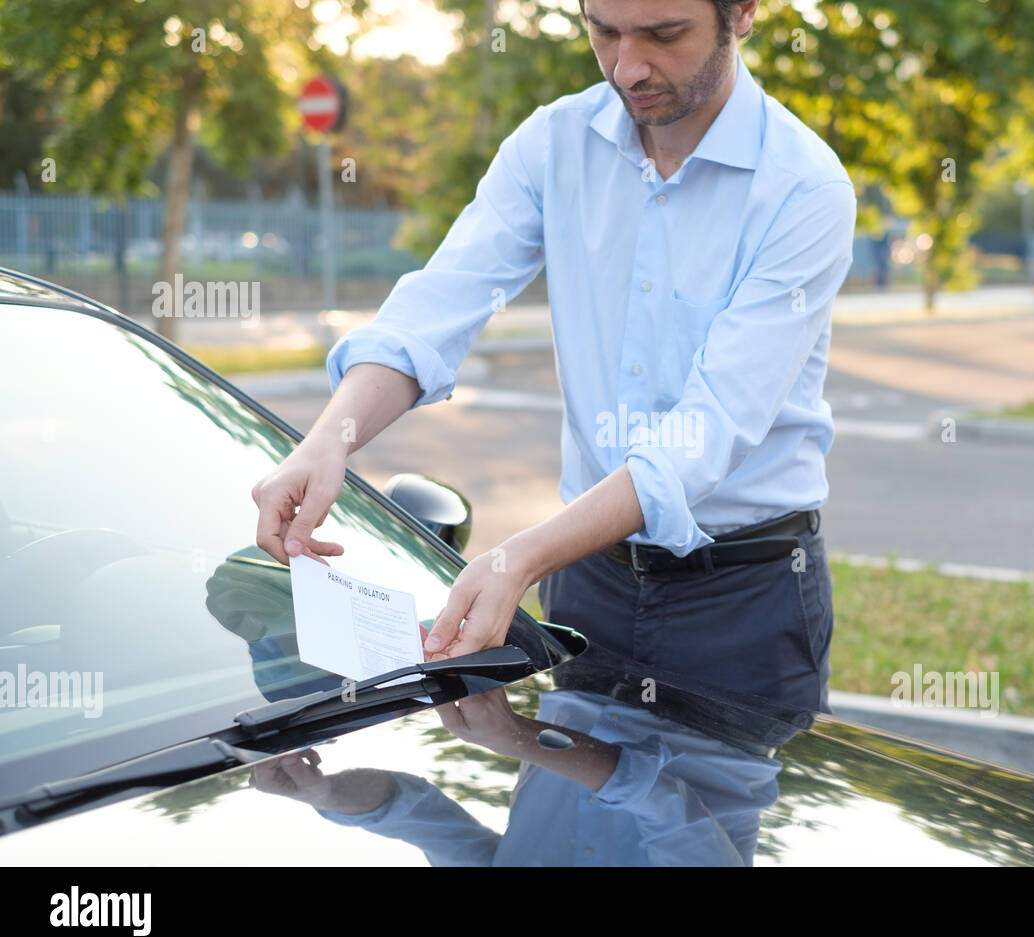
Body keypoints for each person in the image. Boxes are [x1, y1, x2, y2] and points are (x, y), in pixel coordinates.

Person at [250, 0, 855, 714]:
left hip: (745, 600)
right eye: (603, 31)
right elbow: (437, 306)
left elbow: (706, 432)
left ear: (743, 12)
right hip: (587, 581)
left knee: (709, 818)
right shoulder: (553, 144)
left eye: (663, 35)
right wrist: (328, 441)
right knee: (572, 819)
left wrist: (521, 556)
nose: (628, 68)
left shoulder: (805, 189)